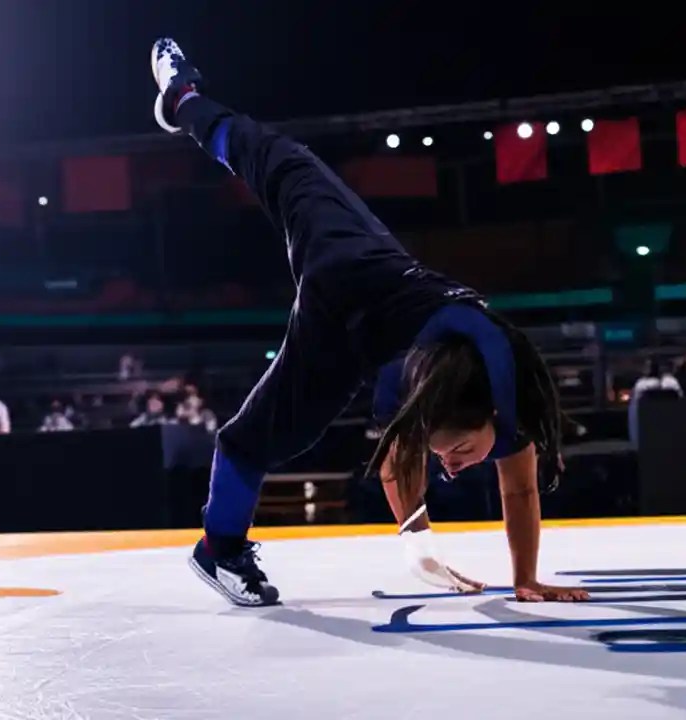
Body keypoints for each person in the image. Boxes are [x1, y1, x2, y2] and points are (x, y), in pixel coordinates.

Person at [149, 38, 589, 607]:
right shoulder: (406, 385)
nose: (450, 465)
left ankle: (187, 103)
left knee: (284, 163)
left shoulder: (506, 385)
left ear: (493, 415)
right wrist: (420, 546)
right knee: (278, 157)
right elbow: (397, 465)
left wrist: (525, 578)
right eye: (451, 454)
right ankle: (184, 100)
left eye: (452, 454)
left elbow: (523, 487)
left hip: (379, 277)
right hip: (336, 290)